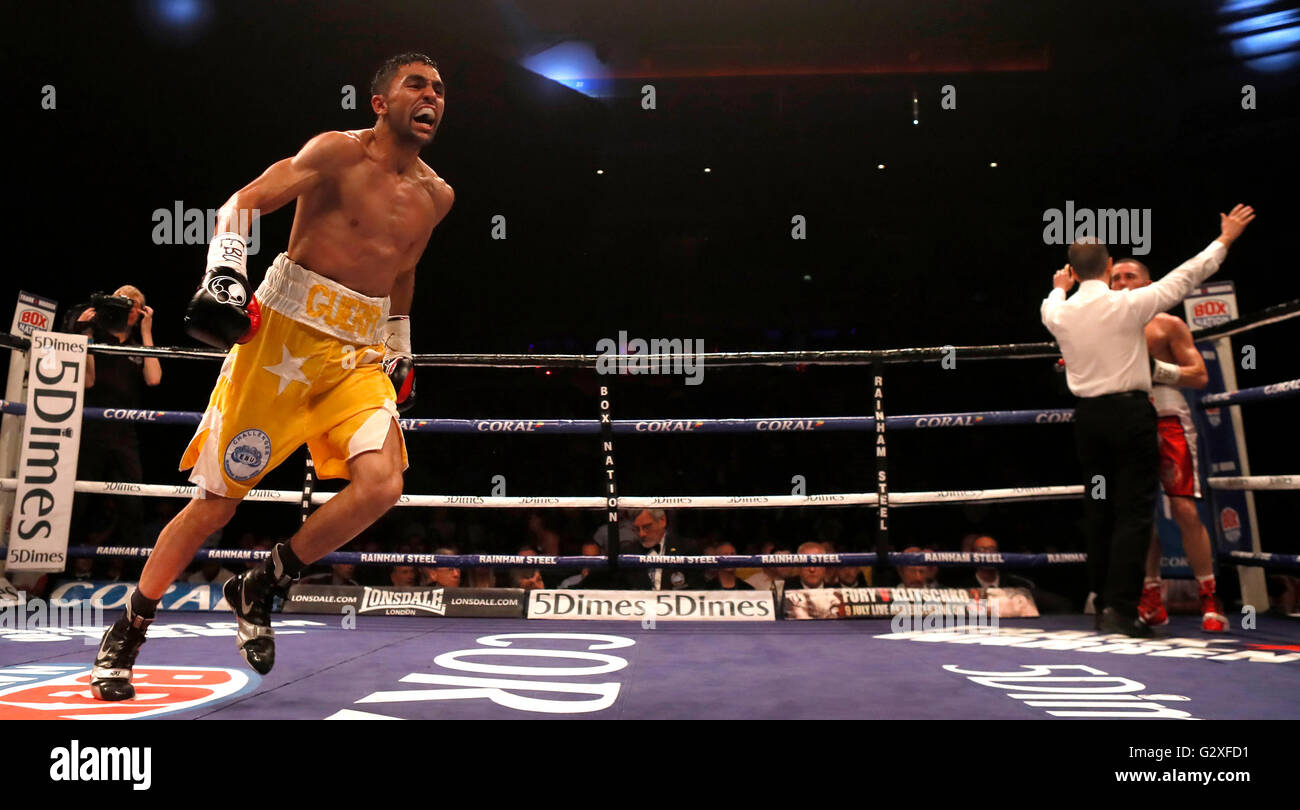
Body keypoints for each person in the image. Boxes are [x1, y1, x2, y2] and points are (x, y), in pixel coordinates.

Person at [90, 53, 455, 701]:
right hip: (283, 335)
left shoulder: (437, 195)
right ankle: (129, 626)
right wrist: (225, 273)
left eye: (439, 89)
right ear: (379, 102)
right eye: (416, 84)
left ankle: (264, 582)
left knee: (381, 484)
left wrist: (399, 347)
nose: (432, 95)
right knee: (215, 506)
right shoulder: (336, 153)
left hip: (357, 352)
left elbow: (404, 270)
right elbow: (245, 202)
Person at [1040, 204, 1254, 638]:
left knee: (1099, 509)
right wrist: (1226, 238)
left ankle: (1103, 603)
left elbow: (1052, 301)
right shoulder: (1131, 305)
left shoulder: (1056, 311)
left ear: (1073, 273)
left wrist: (1060, 288)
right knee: (1135, 513)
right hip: (1131, 416)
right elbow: (1187, 275)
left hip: (1089, 421)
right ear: (1110, 267)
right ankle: (1122, 608)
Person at [1109, 259, 1228, 632]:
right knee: (1137, 514)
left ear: (1149, 283)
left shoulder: (1168, 325)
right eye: (1115, 277)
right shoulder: (1103, 328)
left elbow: (1200, 375)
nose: (1123, 282)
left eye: (1131, 276)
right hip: (1126, 421)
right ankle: (1151, 596)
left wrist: (1155, 369)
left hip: (1169, 417)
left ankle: (1209, 597)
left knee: (1184, 509)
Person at [70, 285, 162, 550]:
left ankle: (134, 574)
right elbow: (87, 382)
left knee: (132, 503)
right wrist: (84, 334)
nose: (131, 309)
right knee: (79, 499)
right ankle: (62, 571)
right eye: (125, 304)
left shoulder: (137, 346)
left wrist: (147, 331)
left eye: (137, 305)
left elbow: (154, 378)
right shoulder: (95, 338)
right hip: (90, 428)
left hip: (124, 433)